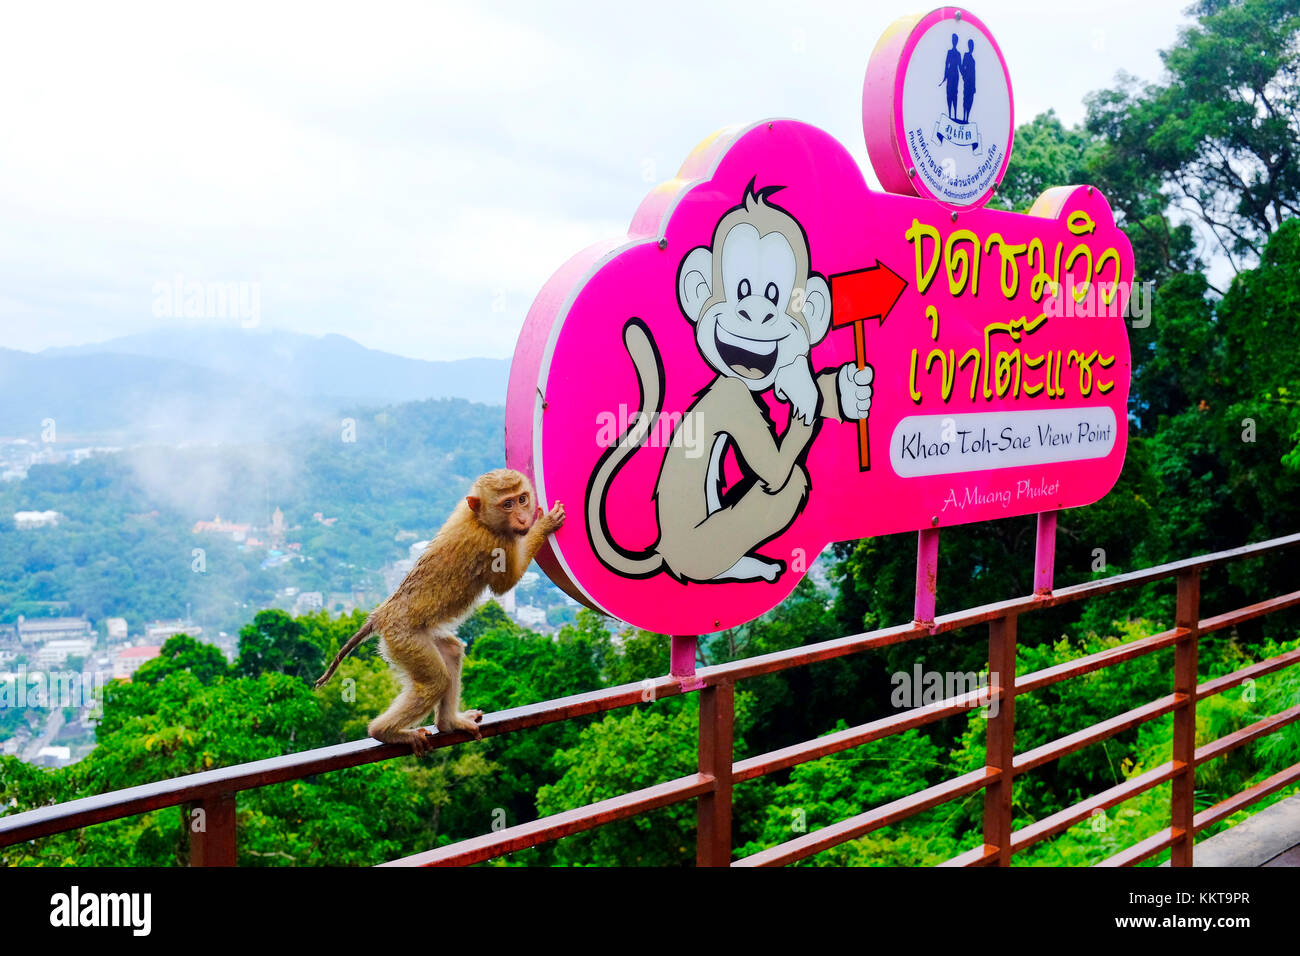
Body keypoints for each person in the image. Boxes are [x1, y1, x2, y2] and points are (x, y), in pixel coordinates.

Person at [941, 34, 961, 120]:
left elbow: (960, 66)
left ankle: (955, 115)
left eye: (955, 40)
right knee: (949, 95)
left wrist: (966, 76)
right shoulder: (949, 52)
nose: (954, 41)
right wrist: (945, 76)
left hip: (955, 76)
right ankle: (949, 114)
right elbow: (946, 65)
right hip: (950, 75)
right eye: (953, 40)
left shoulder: (959, 54)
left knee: (955, 95)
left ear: (956, 42)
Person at [961, 39, 977, 123]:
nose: (972, 47)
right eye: (971, 45)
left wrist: (974, 86)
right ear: (969, 46)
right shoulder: (966, 56)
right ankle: (964, 117)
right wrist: (964, 77)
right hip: (967, 83)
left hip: (971, 84)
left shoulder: (973, 59)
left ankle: (967, 118)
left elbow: (974, 74)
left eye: (973, 46)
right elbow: (962, 67)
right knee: (965, 100)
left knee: (970, 101)